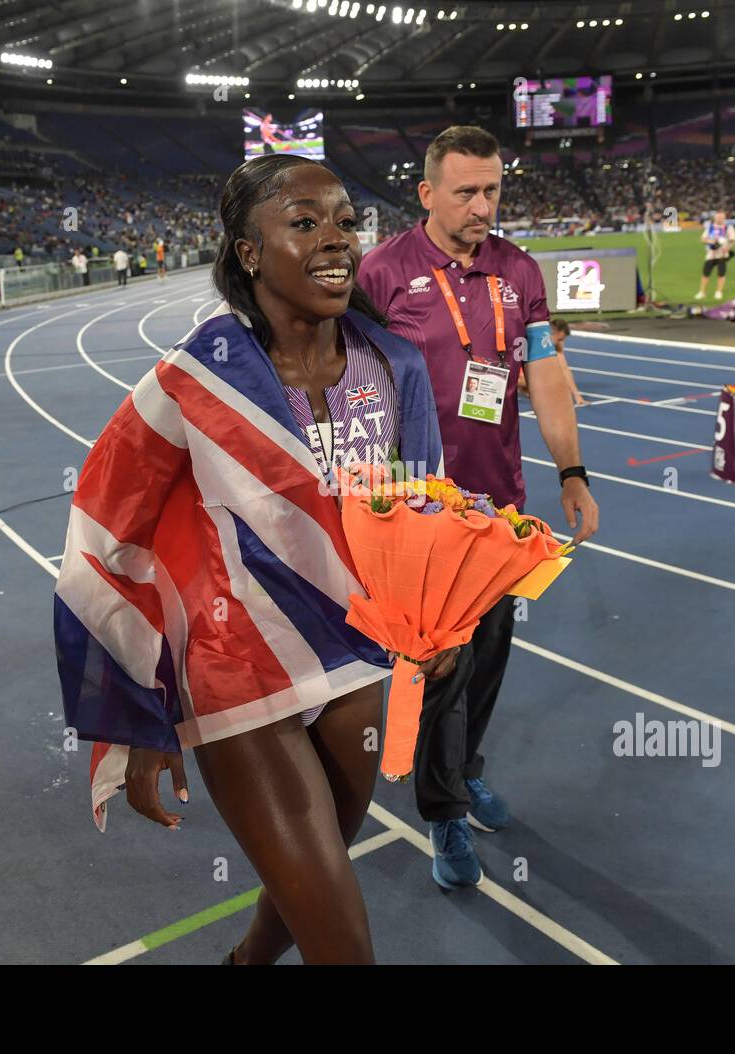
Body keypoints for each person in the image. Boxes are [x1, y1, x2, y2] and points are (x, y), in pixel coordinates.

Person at [55, 155, 449, 965]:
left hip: (353, 655)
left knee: (314, 873)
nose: (336, 239)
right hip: (237, 665)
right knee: (342, 939)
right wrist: (137, 709)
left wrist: (442, 620)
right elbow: (105, 529)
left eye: (345, 220)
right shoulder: (195, 379)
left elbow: (424, 507)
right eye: (304, 223)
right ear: (247, 252)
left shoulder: (393, 365)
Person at [359, 125, 599, 890]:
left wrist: (573, 471)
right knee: (441, 671)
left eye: (492, 189)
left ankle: (464, 769)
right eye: (465, 191)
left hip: (498, 511)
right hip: (417, 516)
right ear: (426, 193)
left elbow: (548, 376)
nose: (481, 204)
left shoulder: (519, 270)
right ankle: (444, 813)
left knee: (489, 658)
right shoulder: (382, 274)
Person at [695, 210, 735, 300]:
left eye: (721, 217)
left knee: (721, 273)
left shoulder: (728, 228)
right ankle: (702, 292)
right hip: (710, 254)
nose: (719, 219)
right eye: (718, 217)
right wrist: (711, 241)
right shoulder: (710, 228)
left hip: (722, 254)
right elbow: (702, 239)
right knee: (705, 273)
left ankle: (718, 292)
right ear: (715, 217)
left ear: (724, 218)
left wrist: (728, 247)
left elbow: (733, 240)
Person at [550, 318, 586, 407]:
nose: (561, 342)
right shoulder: (537, 339)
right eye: (560, 339)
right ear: (556, 331)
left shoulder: (557, 343)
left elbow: (563, 368)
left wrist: (577, 396)